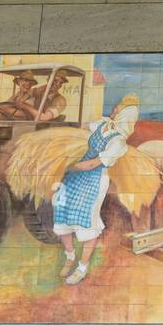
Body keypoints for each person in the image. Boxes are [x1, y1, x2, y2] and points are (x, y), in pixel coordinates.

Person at [52, 96, 138, 286]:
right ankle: (69, 256)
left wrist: (67, 166)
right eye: (117, 106)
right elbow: (82, 133)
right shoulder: (102, 124)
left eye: (119, 109)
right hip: (75, 174)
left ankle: (82, 267)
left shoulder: (119, 142)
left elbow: (93, 163)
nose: (115, 109)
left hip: (93, 178)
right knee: (61, 211)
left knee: (85, 220)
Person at [0, 71, 67, 122]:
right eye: (55, 80)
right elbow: (14, 102)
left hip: (41, 129)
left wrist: (24, 106)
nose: (57, 84)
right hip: (28, 123)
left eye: (60, 83)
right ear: (48, 79)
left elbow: (44, 118)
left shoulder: (60, 100)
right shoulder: (38, 91)